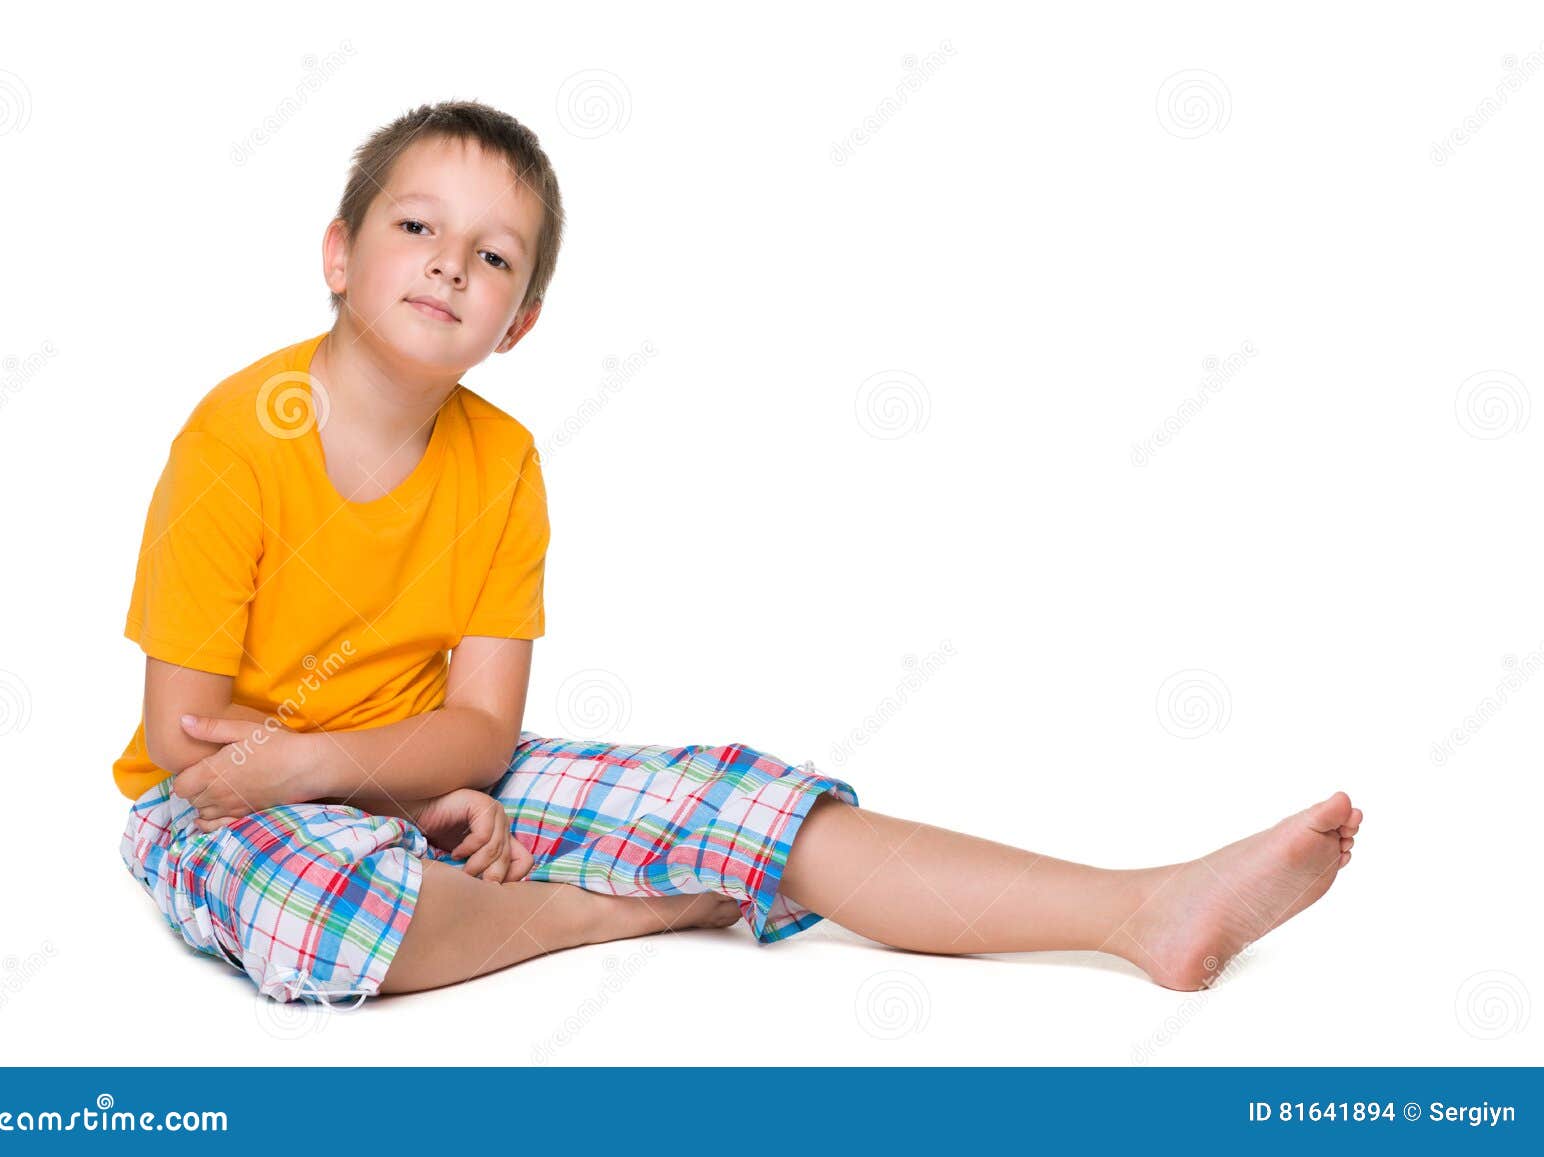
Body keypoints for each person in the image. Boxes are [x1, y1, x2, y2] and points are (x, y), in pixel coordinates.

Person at [115, 100, 1363, 1006]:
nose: (452, 259)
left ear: (517, 322)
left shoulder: (502, 463)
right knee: (329, 905)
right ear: (340, 253)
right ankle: (610, 909)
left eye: (494, 255)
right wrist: (353, 784)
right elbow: (186, 736)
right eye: (417, 225)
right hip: (225, 801)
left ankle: (1139, 906)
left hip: (404, 760)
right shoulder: (239, 438)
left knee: (742, 800)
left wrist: (409, 784)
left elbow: (485, 732)